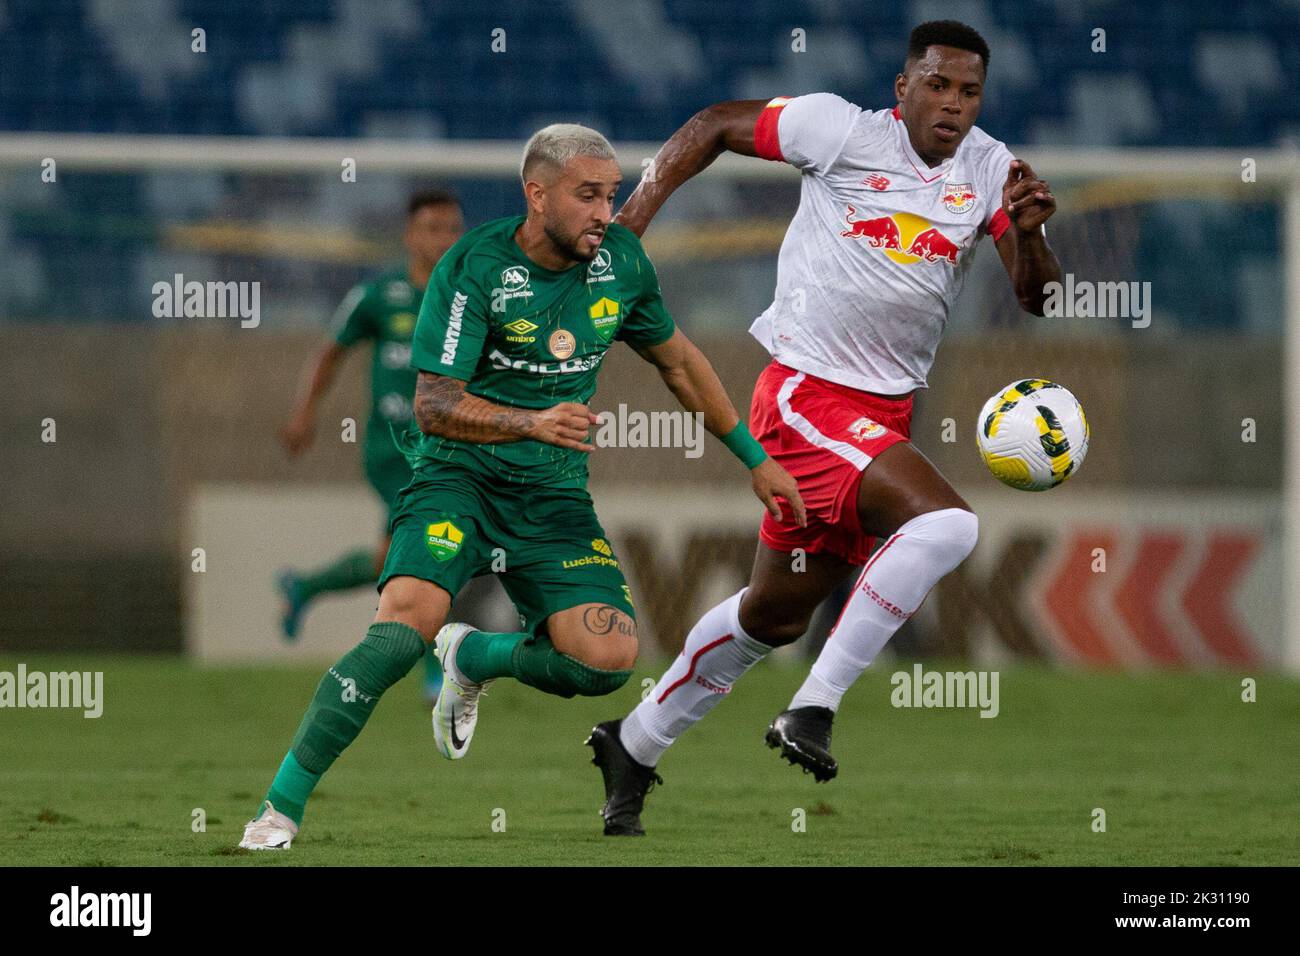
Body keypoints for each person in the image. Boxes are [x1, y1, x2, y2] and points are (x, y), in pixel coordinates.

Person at [239, 123, 804, 850]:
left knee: (606, 662)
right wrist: (530, 423)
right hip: (457, 477)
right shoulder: (473, 268)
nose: (606, 212)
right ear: (537, 195)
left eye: (611, 196)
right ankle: (278, 811)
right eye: (587, 195)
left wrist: (753, 457)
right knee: (399, 631)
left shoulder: (622, 265)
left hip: (552, 497)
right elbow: (434, 405)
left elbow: (682, 364)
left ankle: (472, 656)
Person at [588, 19, 1061, 836]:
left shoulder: (992, 169)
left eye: (970, 91)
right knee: (947, 524)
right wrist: (634, 216)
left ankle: (633, 741)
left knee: (773, 614)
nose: (953, 105)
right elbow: (713, 126)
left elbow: (1039, 298)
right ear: (903, 87)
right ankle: (812, 706)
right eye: (939, 85)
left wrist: (1028, 233)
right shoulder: (838, 131)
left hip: (880, 413)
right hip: (806, 396)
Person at [278, 189, 464, 700]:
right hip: (394, 450)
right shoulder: (379, 296)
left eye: (453, 229)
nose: (445, 239)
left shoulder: (467, 298)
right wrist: (304, 413)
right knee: (429, 550)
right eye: (433, 228)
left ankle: (304, 588)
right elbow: (328, 353)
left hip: (447, 449)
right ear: (409, 235)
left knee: (397, 558)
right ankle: (433, 673)